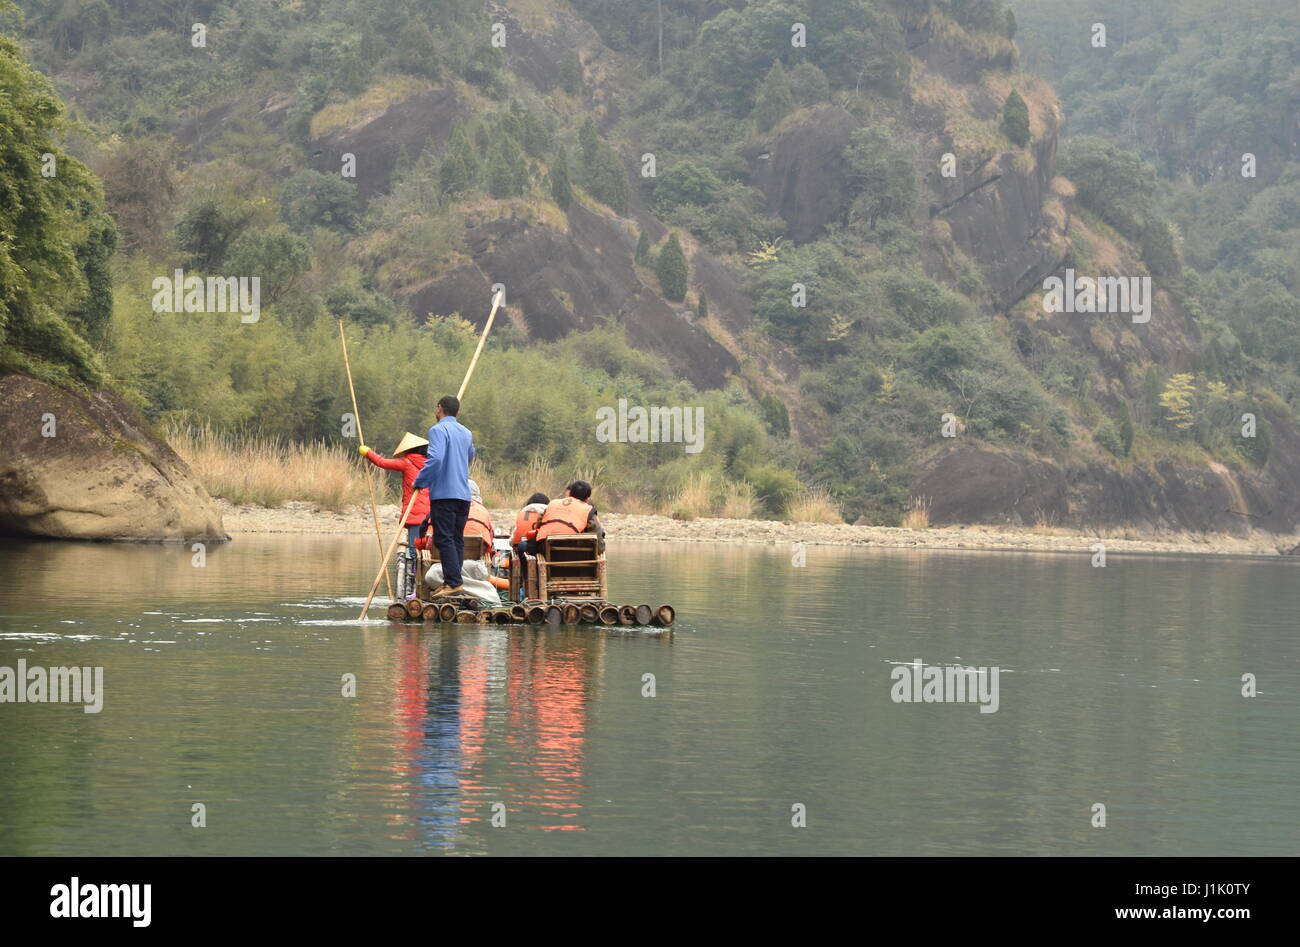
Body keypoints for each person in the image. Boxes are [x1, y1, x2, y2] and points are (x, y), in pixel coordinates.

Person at [412, 395, 476, 597]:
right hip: (463, 495)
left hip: (444, 494)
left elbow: (436, 458)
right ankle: (454, 582)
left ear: (439, 409)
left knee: (444, 538)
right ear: (457, 413)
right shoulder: (466, 432)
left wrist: (420, 481)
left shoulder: (437, 430)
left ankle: (454, 582)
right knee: (456, 539)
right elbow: (471, 455)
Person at [359, 433, 429, 599]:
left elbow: (382, 462)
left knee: (414, 552)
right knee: (427, 549)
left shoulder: (407, 462)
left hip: (415, 515)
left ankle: (417, 590)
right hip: (431, 515)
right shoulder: (431, 465)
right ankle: (426, 586)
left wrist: (367, 452)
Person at [530, 480, 605, 554]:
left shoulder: (552, 503)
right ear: (587, 499)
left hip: (544, 546)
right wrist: (600, 549)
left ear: (570, 494)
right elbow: (598, 541)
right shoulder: (588, 509)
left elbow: (539, 524)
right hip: (569, 551)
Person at [464, 478, 494, 546]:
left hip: (452, 549)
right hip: (479, 549)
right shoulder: (483, 510)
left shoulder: (449, 508)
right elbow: (490, 535)